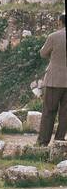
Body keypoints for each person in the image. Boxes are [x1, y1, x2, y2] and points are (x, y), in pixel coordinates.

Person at [38, 15, 67, 147]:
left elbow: (43, 53)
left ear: (60, 21)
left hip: (54, 80)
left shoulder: (54, 36)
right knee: (65, 113)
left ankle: (43, 142)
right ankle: (59, 140)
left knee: (49, 111)